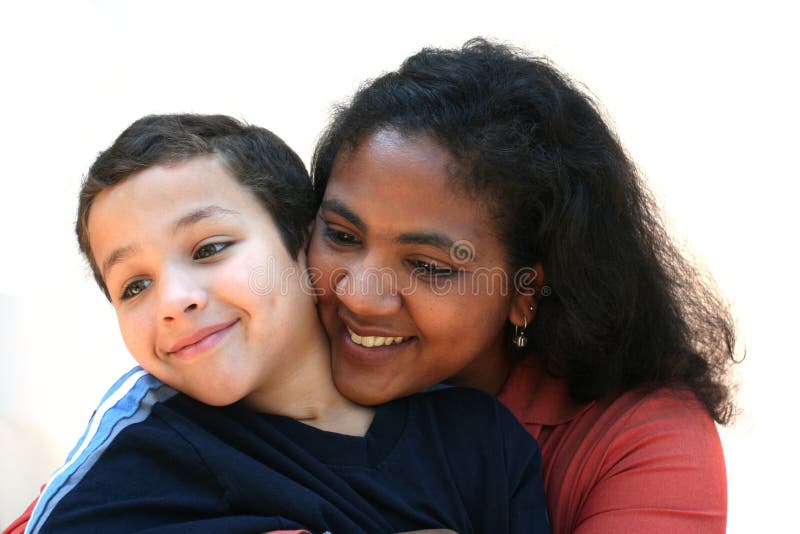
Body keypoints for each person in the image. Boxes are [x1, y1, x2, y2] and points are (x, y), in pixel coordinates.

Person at [14, 114, 548, 534]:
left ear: (301, 239)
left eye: (210, 248)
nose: (173, 301)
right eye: (134, 286)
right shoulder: (142, 444)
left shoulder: (479, 441)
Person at [305, 39, 736, 533]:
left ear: (525, 291)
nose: (356, 294)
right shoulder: (256, 358)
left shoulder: (644, 444)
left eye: (427, 266)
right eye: (341, 236)